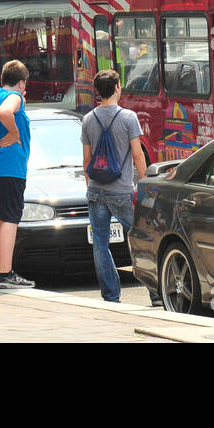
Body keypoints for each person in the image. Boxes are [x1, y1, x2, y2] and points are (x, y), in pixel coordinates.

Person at [80, 68, 148, 303]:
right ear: (118, 87)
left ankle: (110, 294)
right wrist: (146, 182)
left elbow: (87, 160)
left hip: (97, 191)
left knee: (100, 243)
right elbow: (138, 155)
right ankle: (156, 290)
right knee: (142, 237)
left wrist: (91, 187)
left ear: (97, 91)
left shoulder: (88, 119)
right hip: (121, 191)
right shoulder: (128, 117)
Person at [0, 59, 34, 289]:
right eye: (25, 84)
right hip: (9, 167)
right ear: (21, 82)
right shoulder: (15, 97)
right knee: (11, 218)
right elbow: (6, 112)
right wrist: (14, 132)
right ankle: (5, 272)